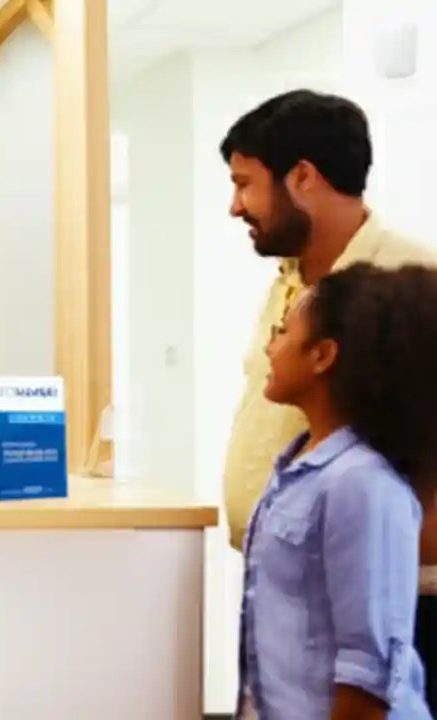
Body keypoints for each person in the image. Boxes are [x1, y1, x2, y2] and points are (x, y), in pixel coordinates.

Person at [218, 89, 437, 550]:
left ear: (302, 178)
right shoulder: (290, 281)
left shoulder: (412, 283)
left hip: (388, 597)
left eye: (244, 184)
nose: (235, 207)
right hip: (296, 585)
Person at [238, 263, 437, 719]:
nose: (270, 347)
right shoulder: (299, 468)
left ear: (322, 355)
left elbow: (368, 678)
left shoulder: (362, 484)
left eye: (283, 331)